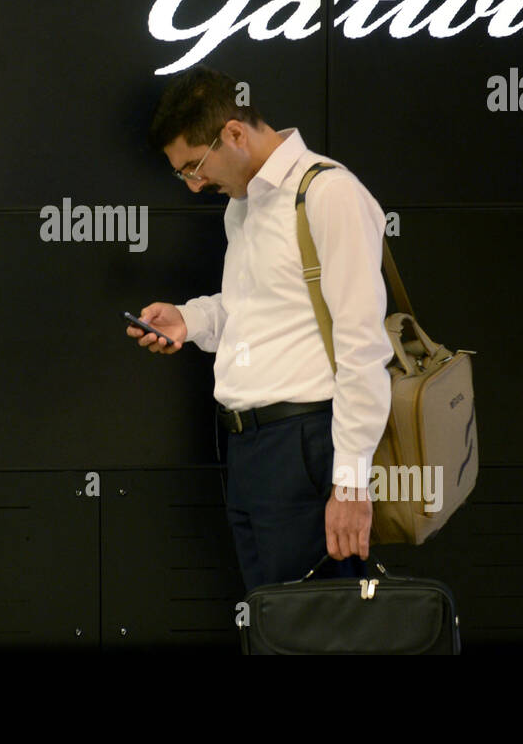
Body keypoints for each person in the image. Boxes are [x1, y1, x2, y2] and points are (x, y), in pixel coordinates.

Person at [126, 65, 394, 593]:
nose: (195, 183)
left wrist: (350, 482)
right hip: (250, 451)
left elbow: (363, 344)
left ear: (233, 133)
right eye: (182, 173)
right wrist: (191, 319)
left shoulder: (327, 194)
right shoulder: (243, 204)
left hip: (306, 445)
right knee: (278, 627)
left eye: (194, 166)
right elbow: (255, 308)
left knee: (319, 628)